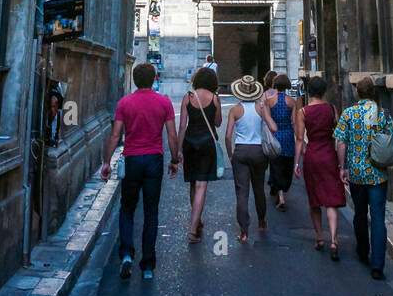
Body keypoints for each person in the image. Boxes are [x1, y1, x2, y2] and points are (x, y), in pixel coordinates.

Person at [101, 62, 179, 282]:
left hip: (132, 159)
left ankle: (126, 254)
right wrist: (174, 158)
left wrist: (106, 162)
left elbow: (115, 136)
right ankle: (147, 265)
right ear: (154, 79)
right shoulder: (164, 102)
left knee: (127, 208)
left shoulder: (125, 103)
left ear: (134, 80)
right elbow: (172, 135)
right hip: (154, 159)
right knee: (151, 211)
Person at [334, 75, 393, 279]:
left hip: (357, 174)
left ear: (357, 92)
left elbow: (341, 142)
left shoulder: (349, 114)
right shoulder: (383, 113)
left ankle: (363, 252)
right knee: (379, 217)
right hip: (378, 173)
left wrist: (342, 167)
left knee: (360, 214)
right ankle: (378, 265)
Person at [294, 76, 346, 259]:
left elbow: (300, 138)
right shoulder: (332, 109)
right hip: (329, 155)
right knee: (331, 199)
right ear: (324, 91)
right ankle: (334, 239)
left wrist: (297, 163)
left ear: (309, 92)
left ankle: (319, 237)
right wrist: (341, 164)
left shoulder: (303, 112)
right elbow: (339, 136)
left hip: (313, 155)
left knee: (315, 198)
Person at [225, 75, 277, 243]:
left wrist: (230, 154)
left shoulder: (235, 110)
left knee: (242, 192)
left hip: (240, 151)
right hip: (258, 152)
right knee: (258, 188)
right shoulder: (260, 108)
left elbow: (227, 136)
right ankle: (261, 222)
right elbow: (273, 128)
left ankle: (244, 232)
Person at [177, 66, 222, 242]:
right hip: (207, 144)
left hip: (190, 142)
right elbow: (218, 123)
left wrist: (178, 151)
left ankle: (197, 221)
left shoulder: (188, 97)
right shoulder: (215, 99)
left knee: (193, 184)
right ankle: (192, 229)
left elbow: (182, 126)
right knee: (202, 186)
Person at [264, 73, 297, 210]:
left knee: (276, 164)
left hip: (275, 135)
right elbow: (294, 121)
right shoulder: (292, 102)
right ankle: (282, 189)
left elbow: (268, 120)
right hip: (288, 135)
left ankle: (280, 193)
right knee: (287, 164)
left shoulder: (269, 101)